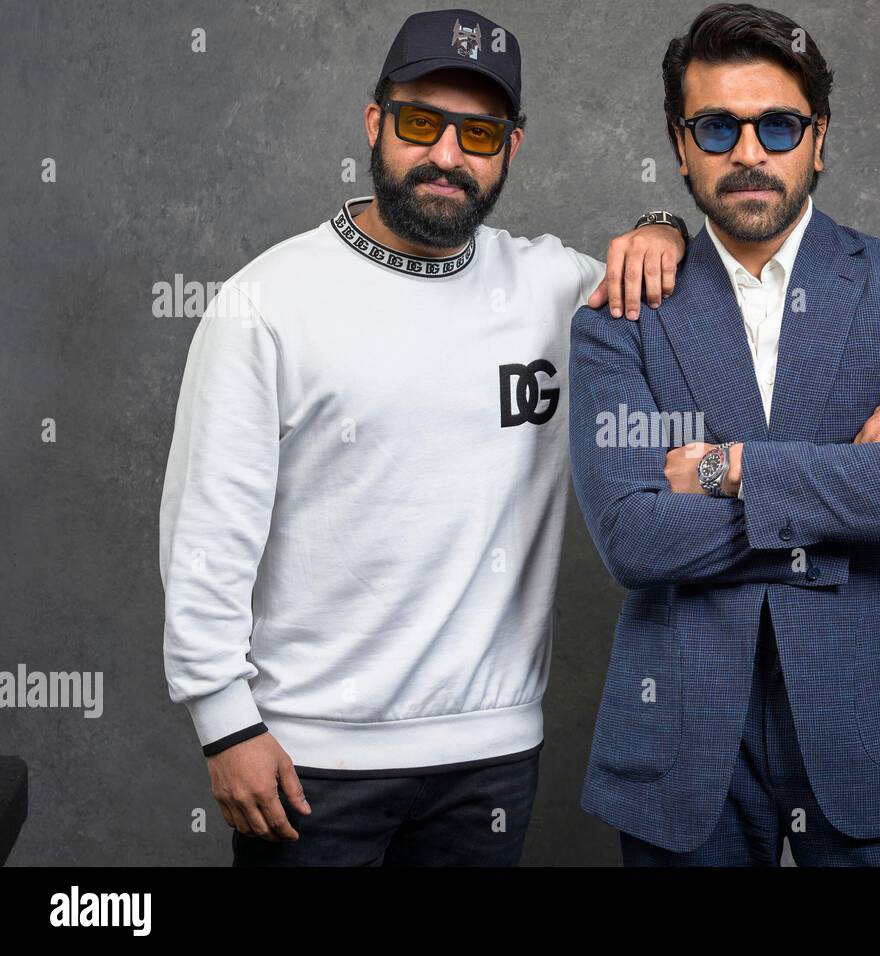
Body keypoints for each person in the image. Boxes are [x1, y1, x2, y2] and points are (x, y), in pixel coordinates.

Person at [159, 7, 689, 866]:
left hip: (491, 757)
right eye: (420, 123)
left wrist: (663, 225)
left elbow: (703, 309)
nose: (447, 156)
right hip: (306, 760)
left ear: (511, 149)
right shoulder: (269, 303)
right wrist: (225, 725)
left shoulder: (558, 291)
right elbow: (206, 532)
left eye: (479, 134)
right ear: (375, 125)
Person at [568, 2, 880, 865]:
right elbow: (635, 537)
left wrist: (729, 470)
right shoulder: (620, 312)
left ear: (819, 138)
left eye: (779, 125)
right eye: (719, 128)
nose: (751, 152)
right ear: (681, 143)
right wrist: (856, 484)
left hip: (877, 731)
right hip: (682, 749)